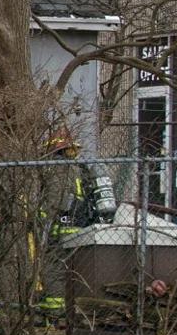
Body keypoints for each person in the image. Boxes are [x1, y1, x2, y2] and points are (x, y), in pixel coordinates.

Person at [37, 131, 117, 321]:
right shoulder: (80, 168)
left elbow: (56, 201)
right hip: (81, 228)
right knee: (76, 270)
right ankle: (75, 311)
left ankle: (56, 314)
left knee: (53, 269)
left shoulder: (57, 169)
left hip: (60, 229)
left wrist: (41, 219)